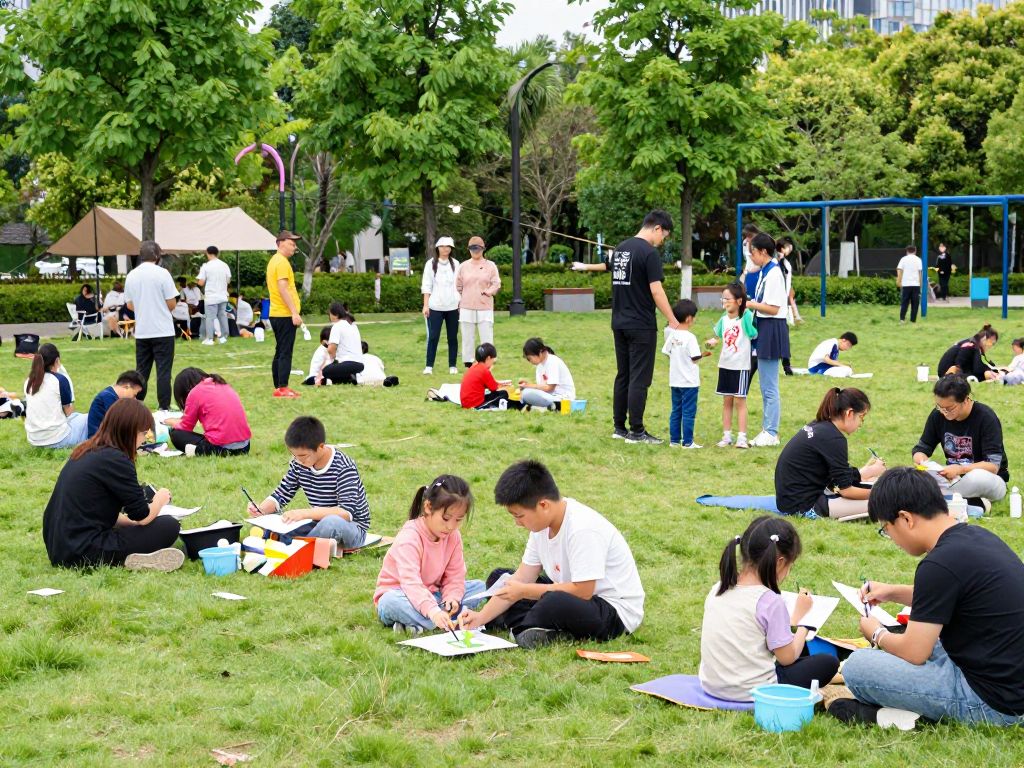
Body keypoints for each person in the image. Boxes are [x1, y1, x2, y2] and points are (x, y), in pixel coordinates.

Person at [834, 467, 1024, 726]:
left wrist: (877, 633)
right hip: (1008, 675)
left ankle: (904, 715)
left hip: (994, 701)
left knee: (858, 666)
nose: (891, 538)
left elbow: (915, 653)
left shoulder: (937, 564)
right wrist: (892, 592)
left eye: (886, 529)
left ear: (906, 519)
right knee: (917, 636)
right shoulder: (977, 536)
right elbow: (954, 596)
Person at [458, 460, 644, 649]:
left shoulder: (582, 528)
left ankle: (529, 625)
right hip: (572, 597)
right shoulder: (540, 529)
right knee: (500, 578)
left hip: (612, 611)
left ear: (543, 505)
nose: (517, 523)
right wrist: (480, 618)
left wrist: (524, 591)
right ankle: (535, 627)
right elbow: (522, 577)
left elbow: (583, 591)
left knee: (553, 601)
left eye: (519, 516)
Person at [699, 516, 839, 701]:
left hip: (712, 685)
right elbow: (786, 658)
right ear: (780, 562)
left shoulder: (717, 588)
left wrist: (793, 620)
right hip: (752, 691)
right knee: (828, 662)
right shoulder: (770, 601)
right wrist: (804, 626)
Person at [41, 397, 184, 571]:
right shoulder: (117, 459)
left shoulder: (87, 450)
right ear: (130, 431)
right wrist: (160, 499)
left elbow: (100, 511)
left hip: (60, 548)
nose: (144, 439)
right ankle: (130, 560)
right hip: (82, 552)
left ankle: (135, 557)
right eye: (143, 433)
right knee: (168, 525)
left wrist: (134, 524)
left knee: (148, 526)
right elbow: (143, 516)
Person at [374, 475, 487, 634]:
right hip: (403, 595)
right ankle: (449, 620)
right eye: (446, 518)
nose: (451, 526)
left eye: (458, 520)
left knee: (482, 587)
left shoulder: (453, 536)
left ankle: (417, 624)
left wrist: (452, 598)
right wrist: (433, 611)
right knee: (389, 602)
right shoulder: (410, 537)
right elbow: (411, 584)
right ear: (428, 507)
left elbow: (455, 576)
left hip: (434, 595)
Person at [609, 211, 679, 445]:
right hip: (641, 324)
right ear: (657, 228)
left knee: (624, 375)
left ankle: (619, 427)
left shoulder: (620, 249)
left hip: (619, 322)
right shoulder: (649, 253)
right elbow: (656, 290)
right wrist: (672, 319)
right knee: (639, 377)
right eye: (664, 236)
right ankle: (636, 431)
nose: (663, 241)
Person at [247, 416, 370, 550]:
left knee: (331, 523)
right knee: (273, 519)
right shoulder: (299, 463)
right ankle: (296, 542)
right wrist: (261, 510)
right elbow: (282, 493)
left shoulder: (344, 467)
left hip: (351, 528)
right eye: (294, 455)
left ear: (321, 447)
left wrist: (304, 513)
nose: (297, 461)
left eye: (302, 456)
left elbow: (346, 513)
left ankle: (296, 545)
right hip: (316, 523)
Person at [775, 387, 885, 520]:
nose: (861, 424)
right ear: (849, 413)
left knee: (876, 488)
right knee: (886, 502)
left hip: (791, 501)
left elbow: (837, 476)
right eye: (862, 417)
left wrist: (864, 473)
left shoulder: (820, 426)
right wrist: (883, 493)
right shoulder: (834, 438)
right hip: (804, 507)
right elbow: (846, 490)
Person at [912, 375, 1008, 507]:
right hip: (952, 480)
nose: (944, 412)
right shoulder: (937, 415)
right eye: (940, 407)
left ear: (966, 399)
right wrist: (923, 463)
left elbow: (993, 466)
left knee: (977, 478)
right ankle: (961, 502)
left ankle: (938, 500)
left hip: (987, 480)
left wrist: (961, 469)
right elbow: (921, 449)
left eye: (950, 408)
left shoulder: (986, 417)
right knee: (911, 476)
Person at [746, 232, 790, 448]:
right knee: (766, 384)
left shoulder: (773, 274)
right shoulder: (767, 270)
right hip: (765, 328)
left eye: (752, 252)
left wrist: (750, 304)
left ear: (762, 252)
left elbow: (773, 309)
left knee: (769, 385)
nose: (751, 256)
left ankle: (771, 431)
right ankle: (768, 430)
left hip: (771, 328)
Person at [124, 240, 178, 410]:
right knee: (163, 371)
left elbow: (130, 305)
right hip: (163, 330)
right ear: (157, 255)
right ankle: (164, 407)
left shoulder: (132, 275)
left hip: (143, 331)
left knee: (141, 372)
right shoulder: (163, 274)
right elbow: (172, 303)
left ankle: (136, 403)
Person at [707, 283, 757, 449]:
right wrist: (713, 342)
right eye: (723, 299)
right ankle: (727, 436)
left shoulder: (746, 316)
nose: (725, 302)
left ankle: (742, 438)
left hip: (741, 366)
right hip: (725, 365)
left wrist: (749, 316)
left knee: (739, 401)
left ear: (739, 301)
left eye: (728, 299)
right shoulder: (723, 318)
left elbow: (753, 333)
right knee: (727, 401)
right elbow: (718, 336)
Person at [164, 368, 251, 456]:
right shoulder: (223, 384)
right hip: (245, 447)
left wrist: (174, 423)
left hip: (219, 446)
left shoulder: (195, 392)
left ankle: (201, 451)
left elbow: (186, 426)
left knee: (176, 434)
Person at [662, 299, 709, 448]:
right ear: (689, 318)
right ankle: (688, 442)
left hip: (675, 380)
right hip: (689, 382)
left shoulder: (673, 335)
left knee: (676, 410)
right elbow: (694, 358)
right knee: (688, 412)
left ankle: (674, 441)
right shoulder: (690, 337)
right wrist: (704, 354)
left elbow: (667, 352)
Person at [23, 343, 87, 449]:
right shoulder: (59, 380)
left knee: (77, 417)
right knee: (89, 417)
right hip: (57, 439)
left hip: (34, 440)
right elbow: (68, 412)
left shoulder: (29, 381)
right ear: (57, 360)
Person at [266, 230, 304, 398]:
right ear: (280, 243)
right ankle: (283, 387)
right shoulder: (281, 262)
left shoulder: (275, 261)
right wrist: (294, 312)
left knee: (280, 350)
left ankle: (278, 386)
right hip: (284, 314)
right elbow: (283, 288)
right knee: (285, 351)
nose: (294, 247)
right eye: (291, 243)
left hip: (277, 313)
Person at [455, 236, 501, 368]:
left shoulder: (490, 265)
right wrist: (461, 299)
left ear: (483, 249)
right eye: (472, 248)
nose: (475, 251)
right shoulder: (463, 266)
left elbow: (496, 283)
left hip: (485, 305)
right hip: (466, 306)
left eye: (478, 248)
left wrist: (489, 291)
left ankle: (489, 361)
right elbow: (458, 286)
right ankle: (468, 362)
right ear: (468, 249)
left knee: (486, 335)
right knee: (467, 336)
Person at [421, 235, 460, 376]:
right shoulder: (430, 264)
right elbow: (426, 286)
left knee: (452, 337)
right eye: (443, 246)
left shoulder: (456, 263)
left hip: (453, 306)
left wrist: (460, 302)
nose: (446, 249)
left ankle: (453, 365)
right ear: (438, 248)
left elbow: (459, 285)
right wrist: (426, 305)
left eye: (448, 247)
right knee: (433, 336)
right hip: (435, 306)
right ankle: (429, 366)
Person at [517, 337, 576, 410]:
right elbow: (542, 387)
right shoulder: (540, 365)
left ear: (540, 352)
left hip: (562, 397)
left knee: (526, 393)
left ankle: (548, 406)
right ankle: (543, 407)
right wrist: (527, 385)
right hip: (550, 396)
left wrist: (530, 386)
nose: (529, 361)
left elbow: (549, 388)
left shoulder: (552, 361)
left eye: (529, 358)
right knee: (523, 392)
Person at [460, 342, 522, 411]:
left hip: (465, 402)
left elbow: (486, 384)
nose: (493, 363)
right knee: (503, 394)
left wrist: (500, 384)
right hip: (474, 404)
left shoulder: (474, 366)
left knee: (496, 394)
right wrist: (505, 386)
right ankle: (517, 405)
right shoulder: (484, 371)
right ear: (488, 358)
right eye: (493, 361)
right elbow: (494, 388)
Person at [86, 370, 146, 438]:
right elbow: (121, 425)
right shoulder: (108, 397)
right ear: (127, 387)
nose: (134, 399)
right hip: (99, 442)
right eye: (134, 395)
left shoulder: (112, 395)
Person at [197, 245, 232, 345]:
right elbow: (228, 280)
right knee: (222, 316)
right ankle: (224, 337)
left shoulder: (206, 266)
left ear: (207, 253)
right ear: (218, 253)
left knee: (210, 317)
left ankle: (210, 338)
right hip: (222, 295)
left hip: (211, 297)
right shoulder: (224, 265)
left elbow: (201, 283)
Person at [323, 302, 364, 384]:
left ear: (335, 314)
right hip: (360, 364)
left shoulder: (337, 326)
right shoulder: (353, 326)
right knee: (336, 370)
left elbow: (331, 349)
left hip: (348, 363)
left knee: (326, 371)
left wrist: (333, 359)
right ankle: (350, 377)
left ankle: (347, 377)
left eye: (330, 313)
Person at [897, 245, 922, 324]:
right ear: (915, 251)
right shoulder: (918, 259)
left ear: (907, 251)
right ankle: (913, 320)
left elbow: (899, 270)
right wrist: (920, 284)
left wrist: (899, 281)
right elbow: (920, 272)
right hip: (915, 284)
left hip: (906, 284)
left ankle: (902, 319)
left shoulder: (903, 259)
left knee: (904, 302)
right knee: (915, 303)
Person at [738, 224, 762, 300]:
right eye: (746, 236)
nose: (748, 238)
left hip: (758, 271)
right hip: (748, 271)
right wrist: (745, 271)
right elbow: (747, 259)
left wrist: (759, 267)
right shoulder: (745, 242)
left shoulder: (761, 241)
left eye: (750, 236)